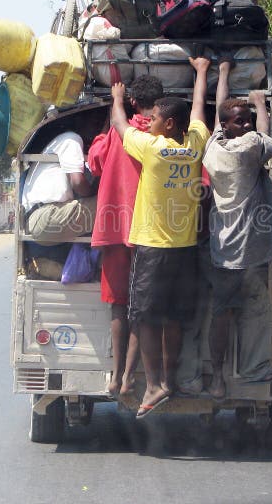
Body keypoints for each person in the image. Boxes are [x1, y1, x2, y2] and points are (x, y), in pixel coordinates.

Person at [109, 56, 210, 418]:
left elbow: (120, 125)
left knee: (145, 318)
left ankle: (152, 385)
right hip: (185, 251)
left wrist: (118, 97)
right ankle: (169, 380)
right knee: (174, 318)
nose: (147, 123)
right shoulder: (195, 144)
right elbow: (198, 109)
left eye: (152, 120)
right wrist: (201, 73)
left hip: (153, 249)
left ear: (167, 124)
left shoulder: (153, 149)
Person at [203, 58, 272, 397]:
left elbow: (218, 113)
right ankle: (253, 367)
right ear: (230, 127)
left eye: (247, 121)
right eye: (239, 122)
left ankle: (216, 377)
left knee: (222, 314)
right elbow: (267, 139)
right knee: (255, 309)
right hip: (250, 250)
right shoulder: (249, 147)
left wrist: (223, 74)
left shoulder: (213, 147)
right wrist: (260, 105)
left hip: (221, 250)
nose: (245, 126)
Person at [88, 74, 163, 398]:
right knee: (142, 308)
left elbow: (94, 162)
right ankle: (132, 378)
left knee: (119, 306)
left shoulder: (120, 133)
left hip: (114, 229)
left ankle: (116, 376)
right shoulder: (165, 136)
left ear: (132, 101)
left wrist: (108, 118)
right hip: (151, 234)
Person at [21, 125, 97, 245]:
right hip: (46, 217)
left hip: (39, 220)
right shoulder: (71, 139)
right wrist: (96, 193)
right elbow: (78, 183)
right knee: (115, 205)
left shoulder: (57, 143)